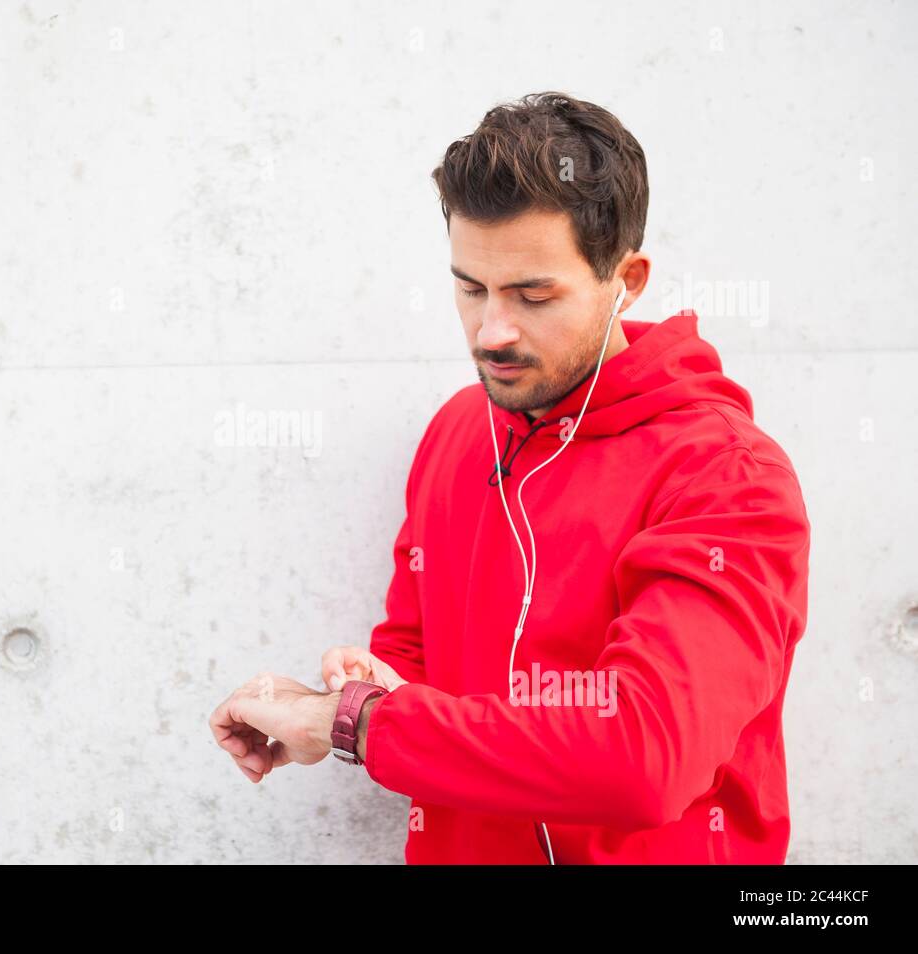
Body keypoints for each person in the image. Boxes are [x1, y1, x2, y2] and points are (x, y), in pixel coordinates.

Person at [208, 91, 811, 864]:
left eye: (533, 295)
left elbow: (644, 760)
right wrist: (362, 687)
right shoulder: (460, 429)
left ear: (626, 280)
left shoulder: (728, 478)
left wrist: (360, 723)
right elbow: (416, 653)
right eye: (470, 288)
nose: (492, 331)